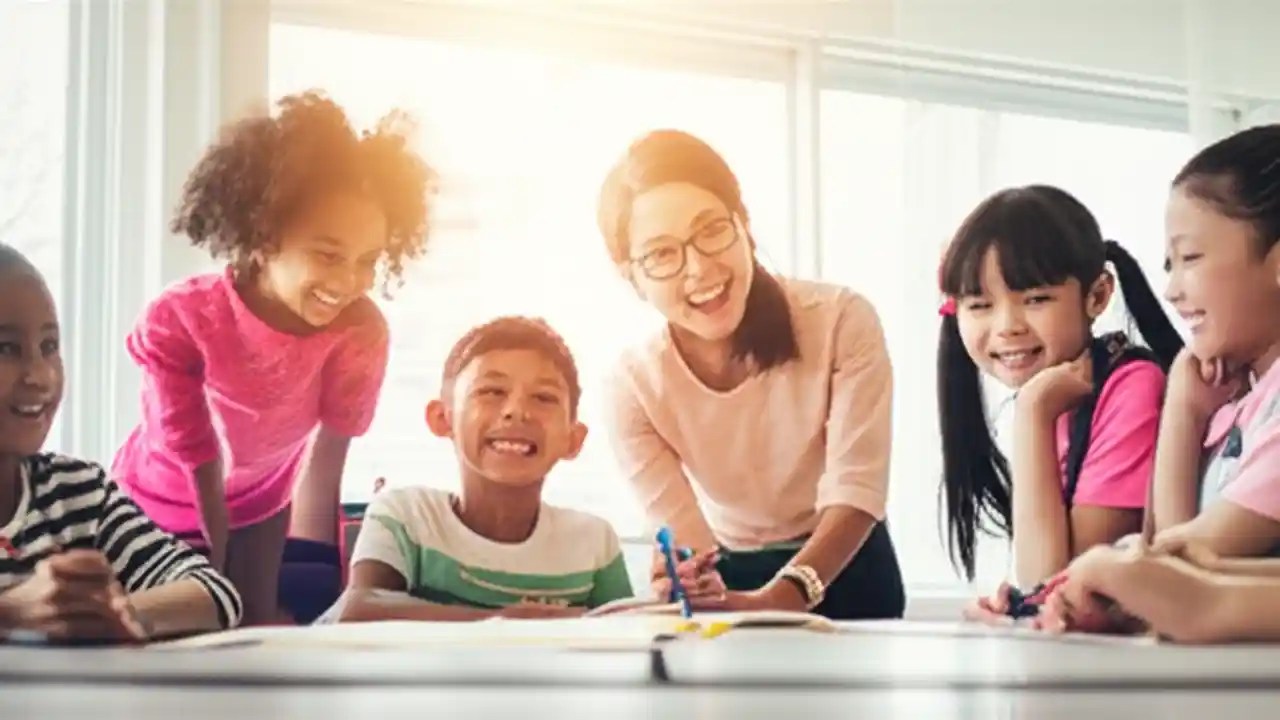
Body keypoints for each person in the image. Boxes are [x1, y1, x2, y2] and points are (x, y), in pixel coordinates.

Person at [111, 91, 434, 625]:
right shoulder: (183, 318)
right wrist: (215, 567)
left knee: (255, 633)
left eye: (367, 260)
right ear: (263, 235)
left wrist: (324, 571)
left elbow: (329, 452)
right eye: (328, 255)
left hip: (261, 507)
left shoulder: (359, 333)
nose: (348, 281)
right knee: (172, 630)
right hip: (155, 505)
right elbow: (196, 454)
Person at [598, 129, 904, 620]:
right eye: (660, 254)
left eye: (712, 230)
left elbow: (856, 487)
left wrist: (786, 594)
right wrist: (687, 575)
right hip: (732, 571)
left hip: (846, 561)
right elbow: (685, 537)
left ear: (745, 227)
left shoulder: (841, 319)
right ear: (630, 276)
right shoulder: (633, 386)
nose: (698, 269)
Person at [938, 185, 1182, 597]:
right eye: (980, 305)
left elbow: (1053, 582)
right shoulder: (1057, 394)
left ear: (1098, 295)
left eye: (1035, 299)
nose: (1007, 326)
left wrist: (1031, 414)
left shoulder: (1130, 385)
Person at [0, 244, 241, 641]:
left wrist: (109, 613)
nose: (39, 376)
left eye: (49, 347)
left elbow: (215, 594)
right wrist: (12, 616)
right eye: (6, 349)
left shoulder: (78, 493)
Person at [336, 317, 633, 622]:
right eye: (491, 391)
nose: (516, 410)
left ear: (574, 439)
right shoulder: (406, 515)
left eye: (544, 397)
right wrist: (503, 622)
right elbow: (360, 608)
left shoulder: (595, 541)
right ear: (442, 418)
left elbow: (626, 635)